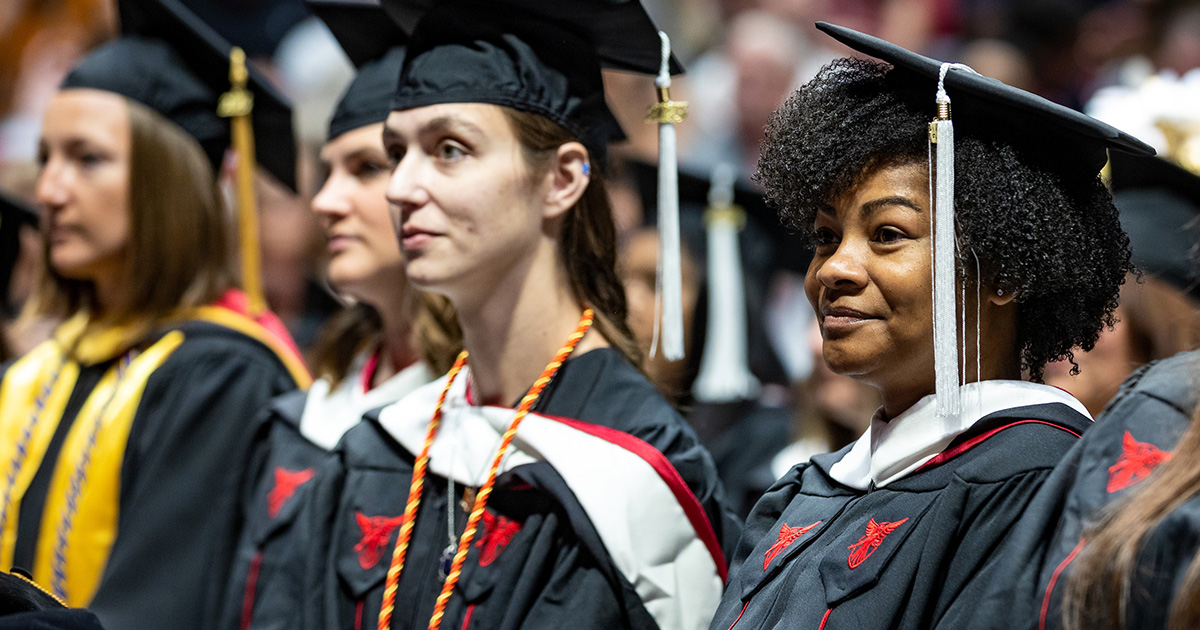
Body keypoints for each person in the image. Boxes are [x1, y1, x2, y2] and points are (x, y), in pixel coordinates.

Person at [270, 1, 739, 629]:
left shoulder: (639, 478)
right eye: (397, 151)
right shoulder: (384, 445)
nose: (400, 187)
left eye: (450, 149)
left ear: (563, 179)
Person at [707, 22, 1152, 630]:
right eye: (825, 238)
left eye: (887, 234)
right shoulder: (803, 491)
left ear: (1002, 273)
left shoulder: (1037, 485)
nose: (833, 268)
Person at [0, 1, 310, 629]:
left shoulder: (220, 374)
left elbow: (151, 614)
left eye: (87, 159)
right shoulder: (41, 370)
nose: (50, 191)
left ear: (166, 183)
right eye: (47, 157)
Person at [221, 3, 461, 628]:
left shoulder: (478, 423)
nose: (324, 202)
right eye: (325, 171)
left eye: (365, 169)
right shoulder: (314, 395)